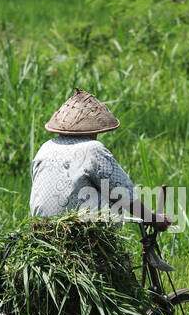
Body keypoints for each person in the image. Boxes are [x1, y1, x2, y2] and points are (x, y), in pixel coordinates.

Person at [29, 88, 172, 230]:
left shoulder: (45, 148)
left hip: (42, 229)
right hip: (80, 234)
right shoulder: (93, 149)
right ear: (94, 130)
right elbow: (123, 193)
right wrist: (153, 219)